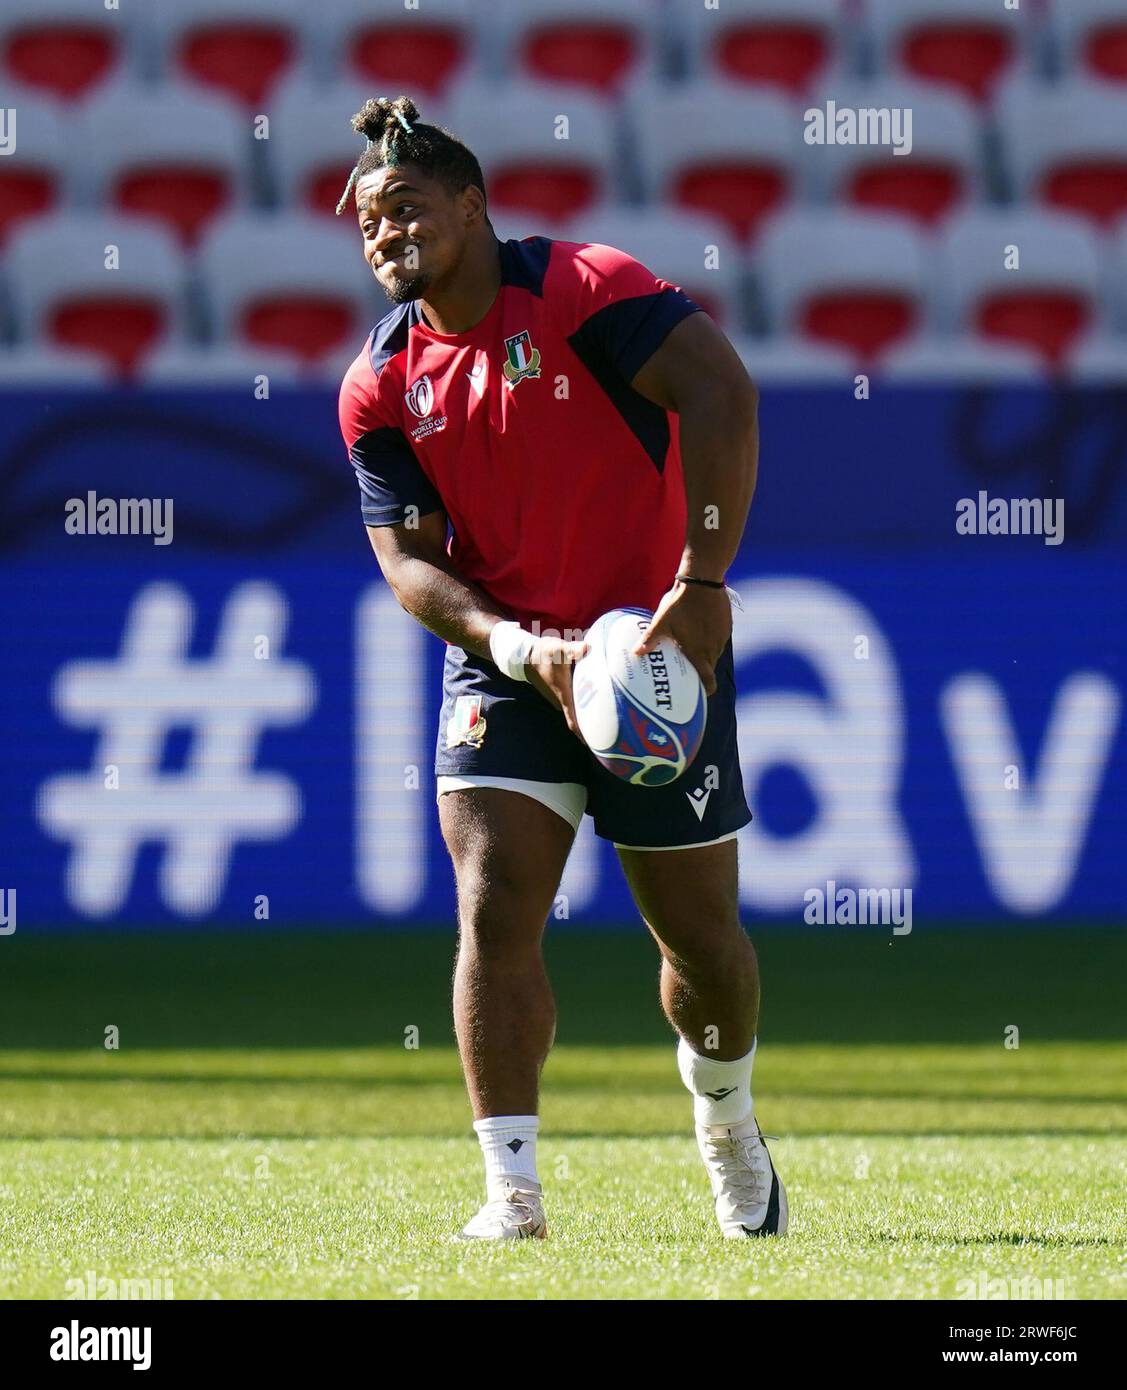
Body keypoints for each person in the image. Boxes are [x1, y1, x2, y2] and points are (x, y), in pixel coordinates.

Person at [337, 95, 785, 1240]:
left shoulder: (586, 289)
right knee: (493, 907)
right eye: (368, 224)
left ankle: (726, 1120)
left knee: (699, 945)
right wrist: (511, 645)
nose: (385, 235)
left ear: (471, 205)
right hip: (509, 661)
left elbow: (720, 390)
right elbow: (407, 563)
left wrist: (702, 585)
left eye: (405, 208)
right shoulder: (379, 383)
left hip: (654, 653)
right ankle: (512, 1191)